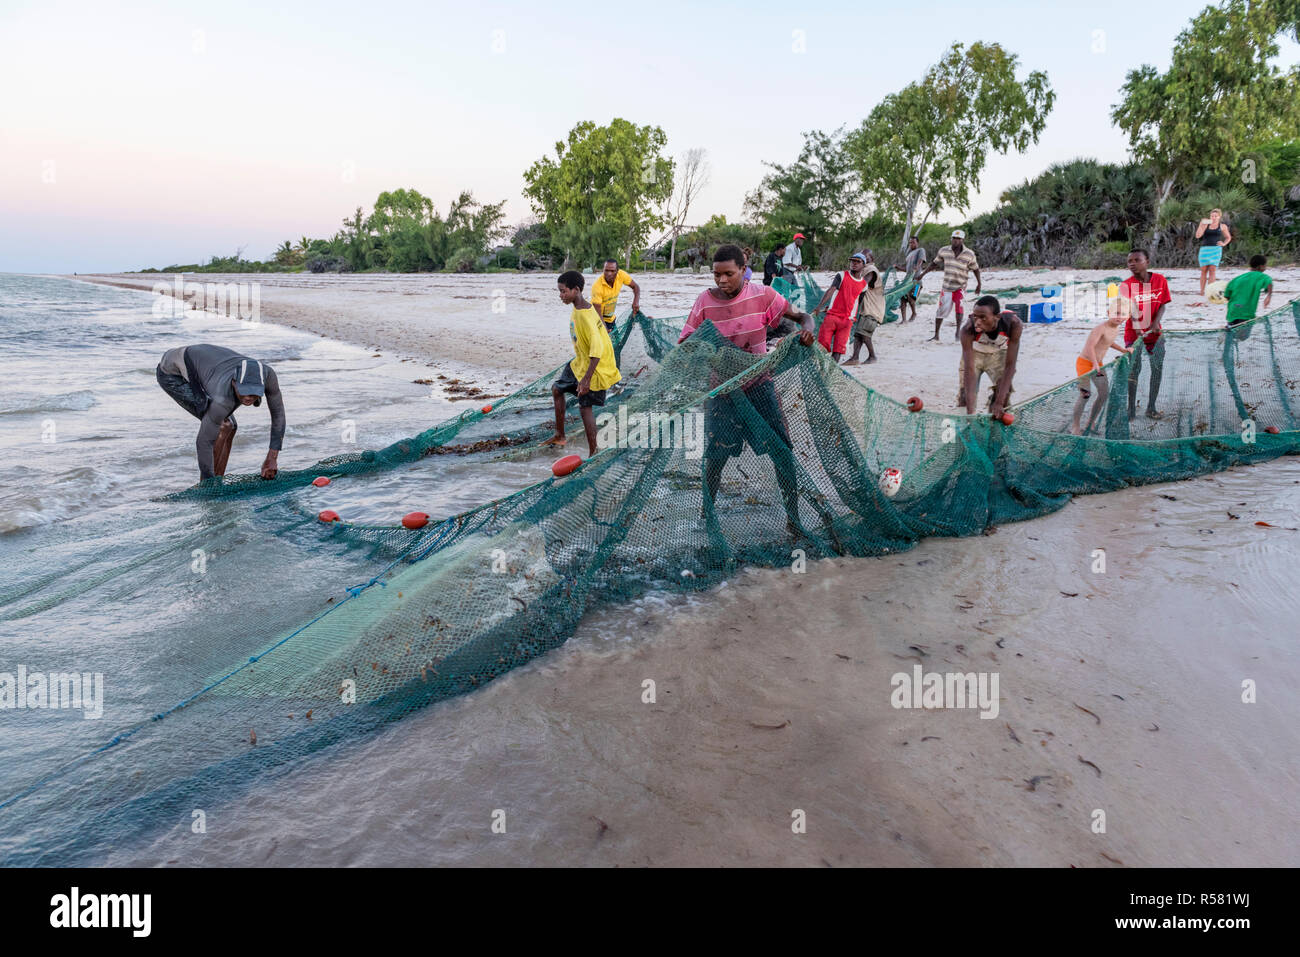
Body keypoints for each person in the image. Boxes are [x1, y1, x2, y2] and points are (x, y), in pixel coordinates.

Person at [677, 243, 815, 536]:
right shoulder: (705, 302)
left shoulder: (763, 296)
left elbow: (803, 317)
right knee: (715, 457)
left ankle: (793, 519)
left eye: (728, 274)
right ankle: (707, 513)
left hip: (759, 386)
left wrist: (808, 330)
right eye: (716, 275)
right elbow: (686, 342)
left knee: (783, 451)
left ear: (744, 270)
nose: (722, 280)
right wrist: (699, 350)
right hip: (722, 390)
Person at [156, 344, 285, 481]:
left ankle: (218, 480)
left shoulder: (268, 375)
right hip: (172, 371)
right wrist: (207, 483)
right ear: (234, 383)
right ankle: (209, 486)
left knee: (231, 427)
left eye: (254, 392)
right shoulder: (221, 399)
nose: (248, 397)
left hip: (204, 363)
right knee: (224, 425)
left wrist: (272, 457)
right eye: (244, 391)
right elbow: (203, 442)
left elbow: (278, 415)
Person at [542, 271, 622, 456]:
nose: (560, 295)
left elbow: (598, 350)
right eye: (560, 291)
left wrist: (586, 381)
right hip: (580, 362)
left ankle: (594, 452)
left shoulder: (585, 316)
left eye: (563, 291)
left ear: (576, 290)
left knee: (585, 407)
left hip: (595, 368)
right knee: (557, 389)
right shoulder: (579, 307)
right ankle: (560, 435)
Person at [1119, 249, 1171, 420]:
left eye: (1136, 260)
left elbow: (1163, 304)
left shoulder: (1160, 280)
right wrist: (1137, 325)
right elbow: (1129, 308)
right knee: (1134, 370)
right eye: (1129, 261)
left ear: (1147, 261)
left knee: (1157, 368)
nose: (1132, 264)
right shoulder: (1126, 285)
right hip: (1133, 334)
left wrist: (1155, 323)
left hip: (1155, 333)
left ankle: (1151, 407)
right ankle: (1131, 409)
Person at [1070, 299, 1134, 435]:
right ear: (1108, 313)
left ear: (1127, 316)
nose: (1119, 316)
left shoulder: (1115, 329)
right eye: (1116, 313)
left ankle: (1090, 421)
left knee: (1104, 394)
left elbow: (1108, 342)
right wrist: (1094, 363)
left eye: (1122, 314)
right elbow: (1090, 346)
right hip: (1085, 363)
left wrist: (1123, 350)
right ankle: (1075, 426)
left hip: (1097, 364)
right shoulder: (1100, 328)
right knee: (1085, 395)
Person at [957, 295, 1021, 418]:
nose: (978, 322)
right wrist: (970, 415)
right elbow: (969, 370)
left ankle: (994, 430)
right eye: (975, 317)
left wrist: (999, 402)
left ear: (997, 317)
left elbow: (1010, 366)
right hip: (975, 353)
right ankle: (966, 427)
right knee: (965, 395)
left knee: (1003, 396)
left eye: (983, 318)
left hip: (999, 353)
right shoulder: (968, 329)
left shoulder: (1013, 324)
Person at [919, 229, 980, 341]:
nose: (956, 241)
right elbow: (934, 264)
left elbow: (976, 269)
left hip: (960, 286)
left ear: (962, 240)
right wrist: (922, 274)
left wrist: (979, 284)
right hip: (947, 286)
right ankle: (936, 335)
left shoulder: (969, 254)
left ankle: (957, 333)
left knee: (959, 308)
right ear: (951, 239)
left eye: (958, 239)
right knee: (941, 310)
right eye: (954, 238)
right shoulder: (944, 250)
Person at [811, 251, 871, 363]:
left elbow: (858, 301)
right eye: (852, 261)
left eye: (858, 262)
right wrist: (820, 306)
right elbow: (831, 290)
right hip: (832, 317)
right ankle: (820, 368)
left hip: (847, 320)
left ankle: (830, 373)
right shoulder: (842, 275)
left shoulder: (864, 285)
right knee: (822, 345)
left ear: (863, 265)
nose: (854, 263)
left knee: (838, 349)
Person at [589, 258, 640, 328]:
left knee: (616, 338)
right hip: (596, 320)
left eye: (612, 271)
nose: (609, 274)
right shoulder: (597, 287)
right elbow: (597, 313)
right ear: (603, 270)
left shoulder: (621, 275)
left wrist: (636, 302)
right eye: (606, 270)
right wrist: (605, 329)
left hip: (611, 319)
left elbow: (636, 287)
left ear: (617, 271)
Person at [1224, 254, 1273, 326]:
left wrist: (1236, 303)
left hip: (1233, 311)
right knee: (1242, 336)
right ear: (1261, 266)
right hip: (1246, 312)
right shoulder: (1262, 276)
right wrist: (1269, 296)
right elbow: (1269, 283)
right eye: (1265, 266)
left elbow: (1227, 294)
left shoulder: (1238, 278)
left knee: (1232, 331)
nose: (1265, 268)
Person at [1195, 209, 1232, 297]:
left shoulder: (1222, 226)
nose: (1214, 218)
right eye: (1212, 216)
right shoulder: (1205, 224)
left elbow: (1228, 237)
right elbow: (1198, 236)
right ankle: (1202, 291)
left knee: (1212, 270)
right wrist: (1201, 225)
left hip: (1216, 250)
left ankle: (1210, 291)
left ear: (1219, 217)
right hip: (1205, 250)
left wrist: (1224, 244)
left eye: (1216, 216)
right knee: (1204, 271)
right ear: (1210, 217)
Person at [895, 236, 927, 322]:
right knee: (903, 299)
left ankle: (914, 313)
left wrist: (917, 266)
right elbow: (907, 269)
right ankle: (904, 319)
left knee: (912, 298)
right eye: (910, 242)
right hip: (907, 281)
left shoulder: (921, 250)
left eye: (913, 242)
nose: (911, 244)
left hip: (917, 282)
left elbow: (921, 260)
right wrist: (898, 267)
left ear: (917, 243)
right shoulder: (909, 254)